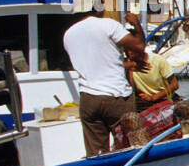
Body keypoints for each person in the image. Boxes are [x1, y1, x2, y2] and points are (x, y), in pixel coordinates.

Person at [63, 9, 147, 156]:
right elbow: (139, 46)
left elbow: (96, 63)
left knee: (96, 156)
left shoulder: (68, 34)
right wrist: (136, 24)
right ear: (98, 8)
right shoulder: (108, 25)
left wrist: (129, 65)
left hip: (88, 99)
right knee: (131, 148)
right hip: (116, 97)